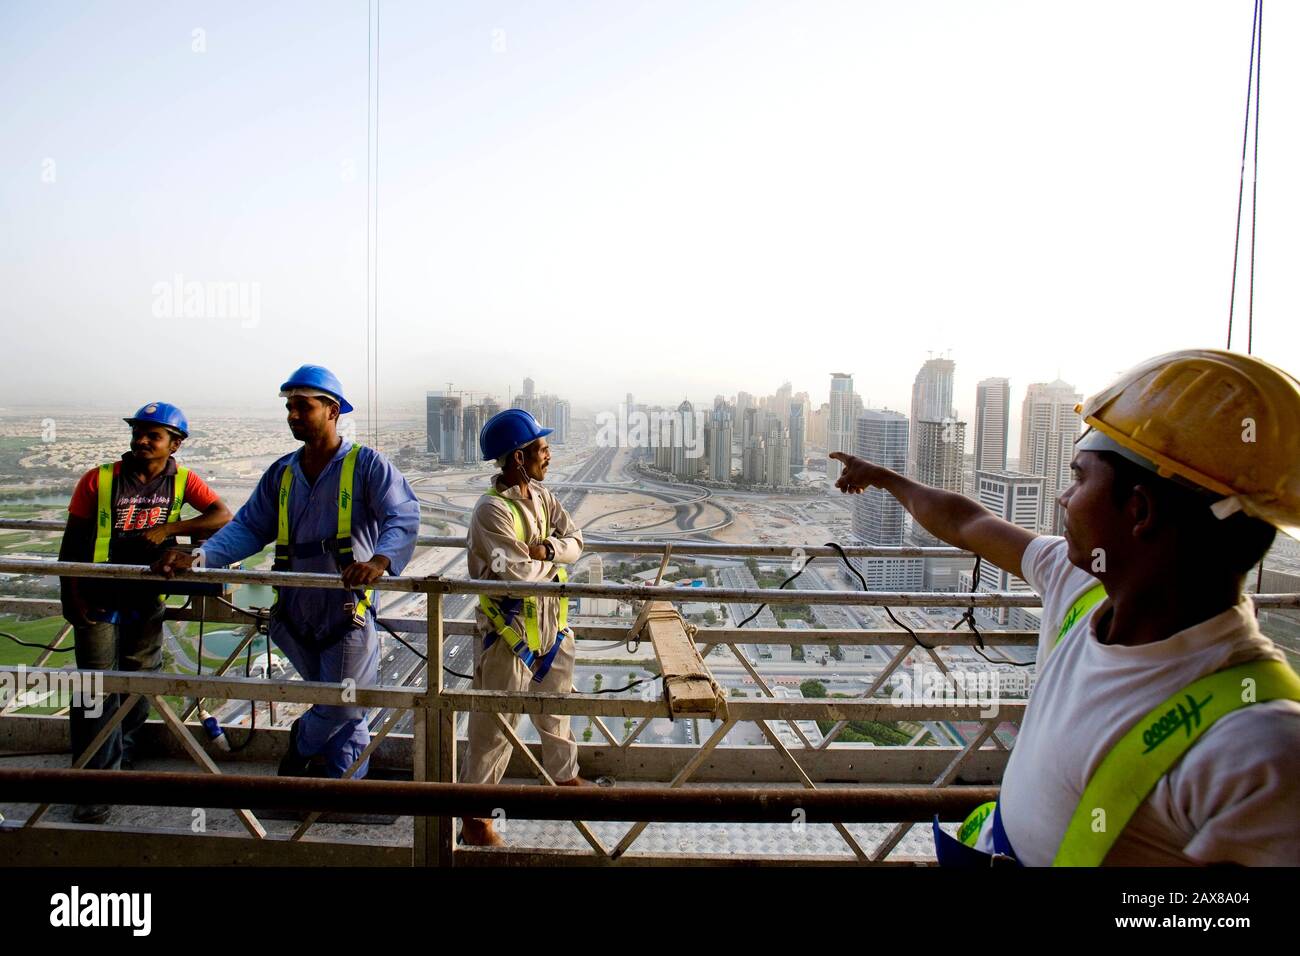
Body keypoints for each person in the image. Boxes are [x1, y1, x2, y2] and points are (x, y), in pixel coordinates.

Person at [832, 349, 1300, 866]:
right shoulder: (1080, 583)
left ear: (1139, 510)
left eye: (1079, 479)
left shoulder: (1261, 748)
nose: (1062, 498)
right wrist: (888, 479)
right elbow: (966, 523)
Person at [155, 365, 419, 780]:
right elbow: (248, 526)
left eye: (304, 407)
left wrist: (381, 561)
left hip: (346, 608)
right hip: (295, 610)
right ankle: (345, 786)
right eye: (290, 407)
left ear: (332, 410)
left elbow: (402, 515)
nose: (293, 415)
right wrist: (202, 558)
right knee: (341, 709)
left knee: (343, 704)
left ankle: (302, 744)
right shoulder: (283, 473)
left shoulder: (368, 466)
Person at [59, 401, 232, 824]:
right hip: (100, 596)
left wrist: (170, 531)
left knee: (139, 686)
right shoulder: (98, 480)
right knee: (95, 691)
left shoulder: (183, 481)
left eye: (152, 434)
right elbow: (72, 540)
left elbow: (221, 515)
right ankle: (94, 786)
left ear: (174, 444)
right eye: (138, 431)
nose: (141, 440)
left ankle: (121, 757)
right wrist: (71, 595)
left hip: (146, 599)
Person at [459, 408, 587, 847]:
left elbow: (577, 542)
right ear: (518, 457)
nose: (548, 455)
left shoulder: (544, 497)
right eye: (542, 448)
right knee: (494, 729)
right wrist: (551, 560)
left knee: (558, 715)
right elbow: (517, 575)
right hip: (508, 636)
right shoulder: (491, 512)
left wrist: (545, 549)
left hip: (552, 630)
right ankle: (475, 820)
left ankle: (565, 783)